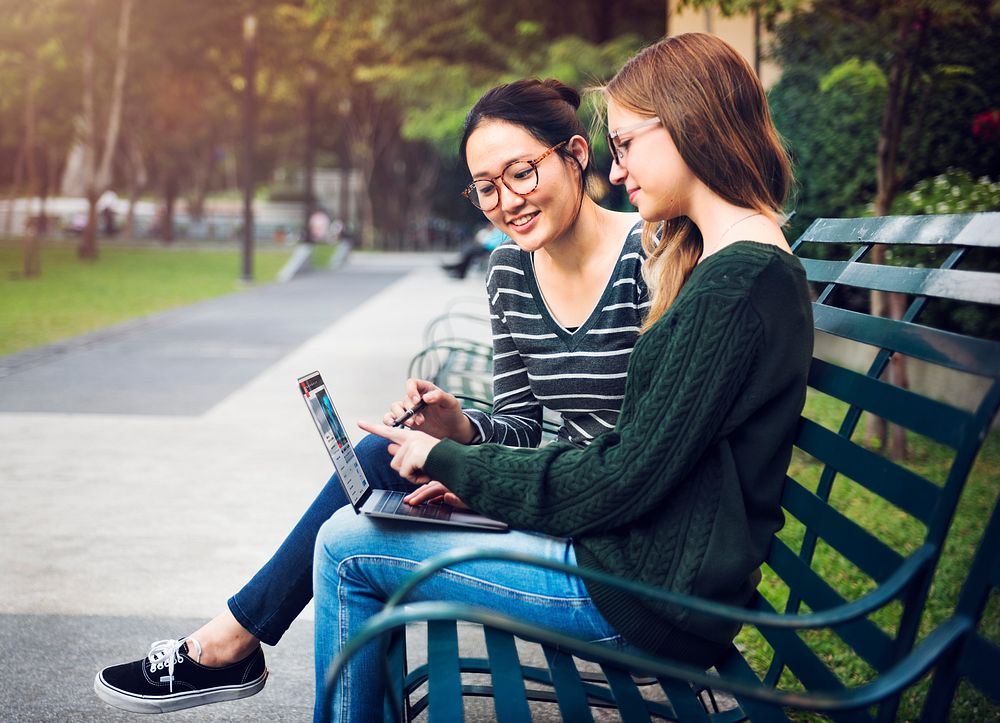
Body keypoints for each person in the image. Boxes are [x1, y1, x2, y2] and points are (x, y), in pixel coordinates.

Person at [93, 78, 645, 714]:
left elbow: (640, 456)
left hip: (601, 521)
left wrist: (476, 474)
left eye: (521, 173)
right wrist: (460, 427)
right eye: (486, 188)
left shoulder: (647, 258)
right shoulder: (512, 270)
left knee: (350, 543)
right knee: (380, 454)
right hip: (558, 494)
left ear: (576, 154)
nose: (507, 202)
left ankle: (226, 647)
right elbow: (522, 425)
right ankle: (229, 640)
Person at [312, 32, 813, 722]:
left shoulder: (734, 281)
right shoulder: (729, 265)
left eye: (628, 142)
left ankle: (232, 644)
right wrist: (465, 467)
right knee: (368, 504)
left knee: (345, 548)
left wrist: (455, 460)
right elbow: (629, 462)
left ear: (690, 124)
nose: (618, 165)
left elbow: (619, 475)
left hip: (645, 596)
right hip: (642, 568)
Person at [440, 223, 508, 278]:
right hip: (486, 246)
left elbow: (494, 243)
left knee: (471, 251)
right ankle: (459, 269)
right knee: (468, 248)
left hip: (489, 248)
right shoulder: (498, 229)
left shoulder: (502, 230)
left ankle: (458, 268)